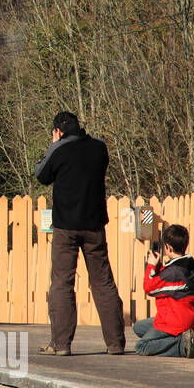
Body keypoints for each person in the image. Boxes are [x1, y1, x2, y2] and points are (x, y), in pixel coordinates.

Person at [34, 111, 125, 355]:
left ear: (58, 131)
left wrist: (53, 145)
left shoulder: (59, 148)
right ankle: (115, 342)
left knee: (62, 282)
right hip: (95, 225)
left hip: (66, 227)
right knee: (103, 282)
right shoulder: (99, 148)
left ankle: (61, 344)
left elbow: (41, 175)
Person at [135, 223, 194, 358]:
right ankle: (180, 338)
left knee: (142, 346)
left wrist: (151, 266)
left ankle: (181, 345)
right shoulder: (186, 266)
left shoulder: (173, 273)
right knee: (138, 328)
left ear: (168, 247)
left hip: (174, 320)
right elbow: (165, 283)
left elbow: (149, 288)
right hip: (183, 316)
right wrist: (158, 267)